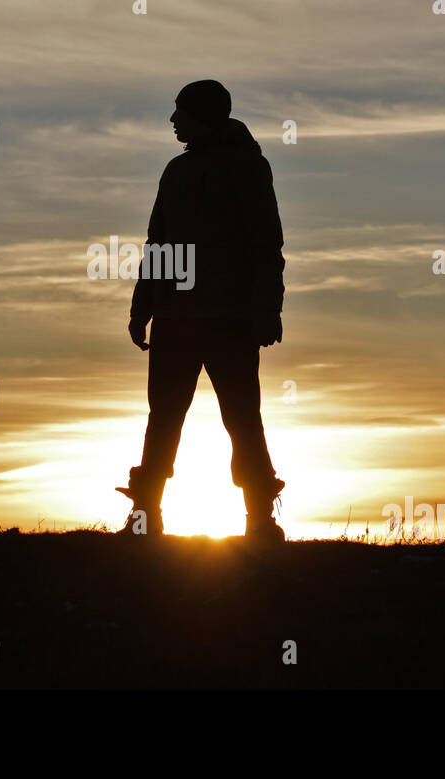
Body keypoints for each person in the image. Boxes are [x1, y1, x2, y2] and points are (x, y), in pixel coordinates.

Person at [118, 80, 287, 543]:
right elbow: (160, 245)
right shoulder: (182, 170)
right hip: (186, 319)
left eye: (180, 112)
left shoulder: (247, 169)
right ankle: (147, 517)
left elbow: (264, 244)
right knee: (176, 417)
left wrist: (266, 309)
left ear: (201, 115)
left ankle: (258, 521)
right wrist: (143, 307)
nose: (173, 120)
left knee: (234, 418)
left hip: (222, 319)